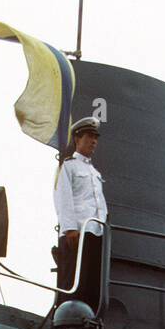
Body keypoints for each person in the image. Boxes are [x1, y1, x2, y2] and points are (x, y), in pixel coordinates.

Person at [53, 116, 107, 310]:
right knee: (72, 281)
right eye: (89, 136)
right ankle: (67, 315)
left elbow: (99, 204)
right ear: (77, 138)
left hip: (95, 233)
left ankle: (88, 317)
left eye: (96, 137)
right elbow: (63, 198)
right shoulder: (68, 166)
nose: (94, 141)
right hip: (77, 233)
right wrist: (69, 229)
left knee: (91, 283)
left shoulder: (94, 172)